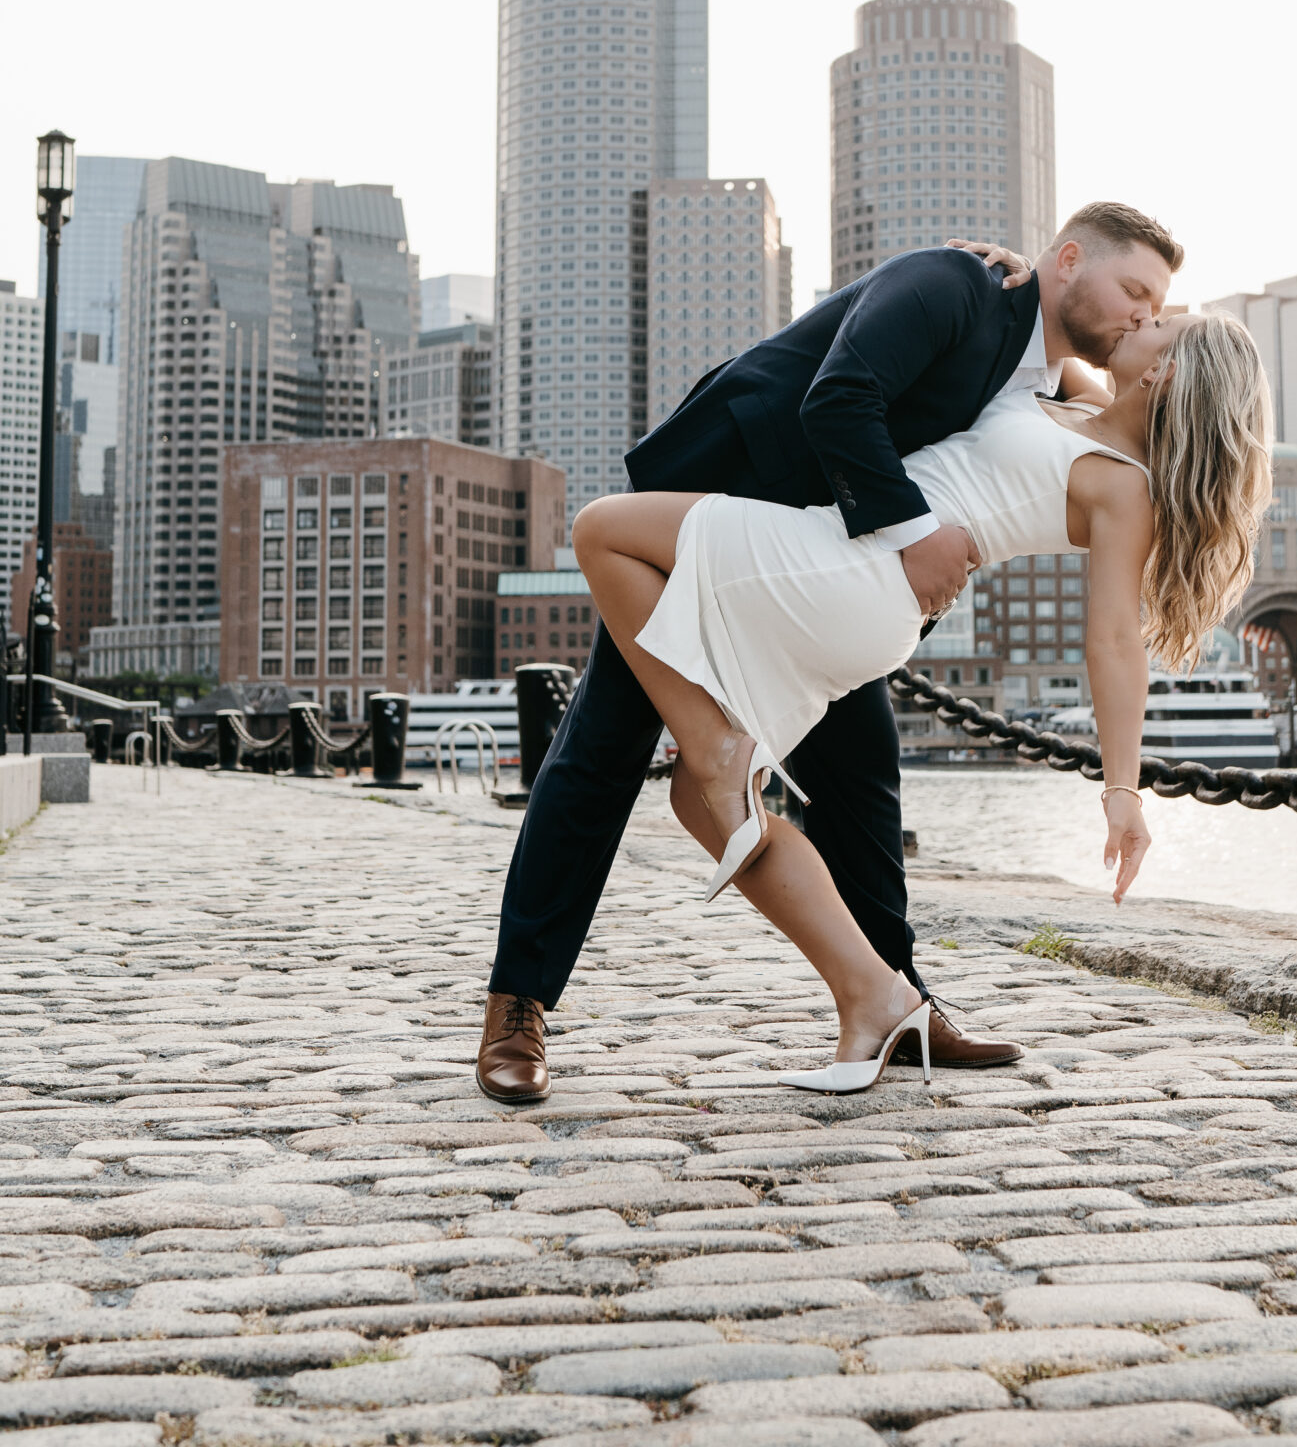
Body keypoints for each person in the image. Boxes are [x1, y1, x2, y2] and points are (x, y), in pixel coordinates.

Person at [478, 202, 1183, 1104]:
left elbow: (1122, 406)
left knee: (860, 775)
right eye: (1134, 291)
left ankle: (897, 998)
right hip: (733, 508)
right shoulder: (951, 283)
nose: (1139, 313)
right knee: (602, 751)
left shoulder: (1046, 378)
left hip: (836, 564)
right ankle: (517, 1007)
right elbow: (839, 396)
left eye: (1155, 306)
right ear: (1071, 259)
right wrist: (918, 536)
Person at [572, 306, 1271, 1091]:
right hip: (853, 575)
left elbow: (1113, 642)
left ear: (1164, 373)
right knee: (701, 806)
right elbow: (1047, 312)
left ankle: (711, 740)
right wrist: (1010, 269)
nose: (1139, 316)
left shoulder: (1123, 484)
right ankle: (871, 995)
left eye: (1159, 322)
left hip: (851, 575)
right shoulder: (1078, 401)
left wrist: (1122, 792)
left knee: (602, 529)